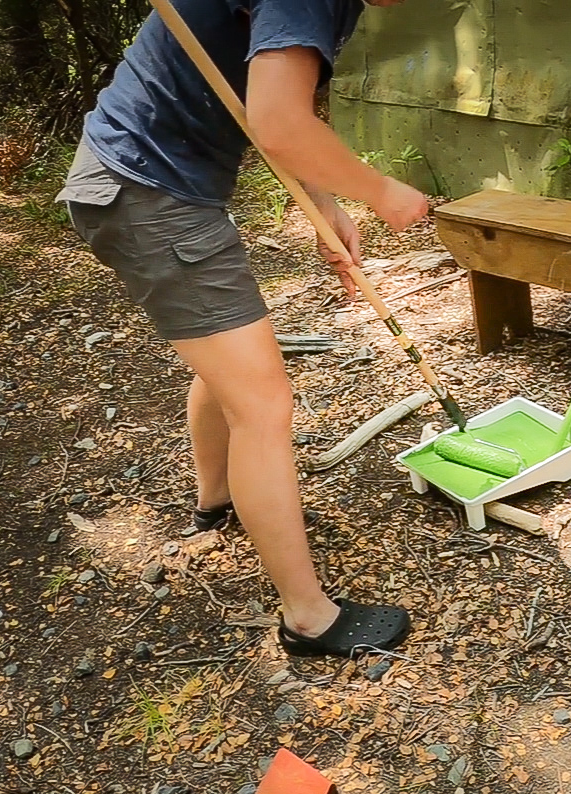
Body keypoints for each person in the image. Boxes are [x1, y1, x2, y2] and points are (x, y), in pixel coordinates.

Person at [58, 0, 425, 658]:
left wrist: (323, 203)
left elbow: (267, 104)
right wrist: (380, 190)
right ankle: (309, 618)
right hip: (146, 189)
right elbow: (278, 122)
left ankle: (219, 500)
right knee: (263, 404)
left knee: (230, 373)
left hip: (142, 180)